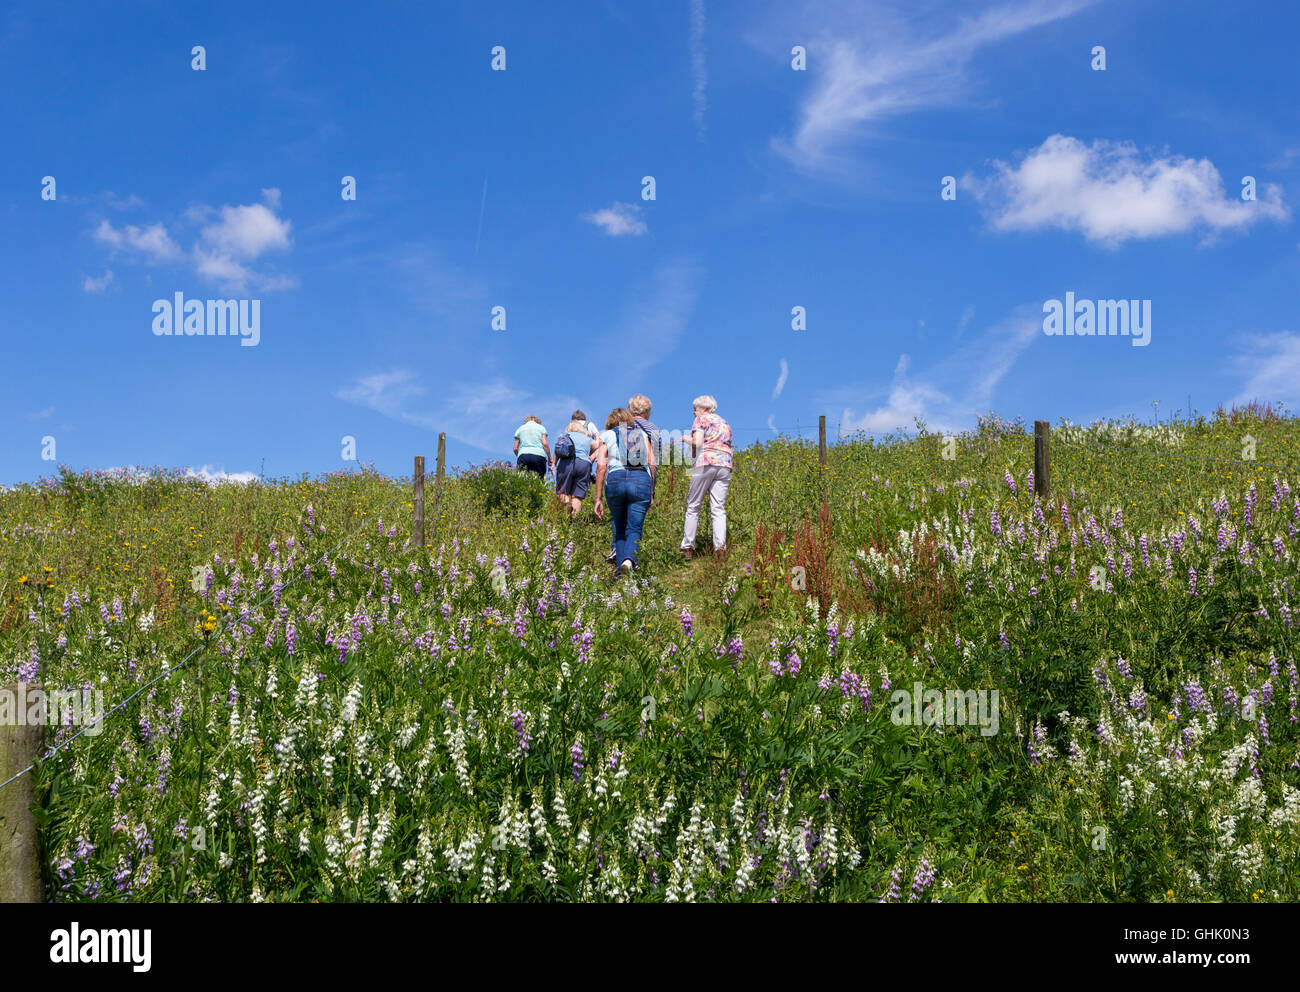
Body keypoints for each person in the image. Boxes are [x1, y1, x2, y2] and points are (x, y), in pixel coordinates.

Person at [594, 407, 655, 576]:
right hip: (641, 479)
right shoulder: (641, 435)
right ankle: (629, 560)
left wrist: (598, 498)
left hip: (615, 480)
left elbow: (600, 467)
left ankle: (621, 574)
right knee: (634, 527)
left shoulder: (606, 435)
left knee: (619, 528)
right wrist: (651, 491)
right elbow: (652, 463)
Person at [680, 394, 732, 560]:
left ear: (704, 408)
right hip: (724, 465)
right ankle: (720, 547)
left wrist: (685, 438)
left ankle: (687, 547)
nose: (694, 413)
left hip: (705, 462)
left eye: (695, 409)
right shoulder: (724, 423)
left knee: (693, 506)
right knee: (718, 508)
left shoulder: (701, 419)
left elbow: (698, 443)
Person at [551, 417, 603, 518]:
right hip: (584, 465)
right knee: (577, 496)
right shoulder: (587, 438)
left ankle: (566, 504)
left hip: (567, 463)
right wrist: (591, 457)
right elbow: (600, 446)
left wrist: (554, 463)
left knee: (562, 491)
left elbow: (557, 450)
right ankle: (574, 522)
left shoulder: (565, 436)